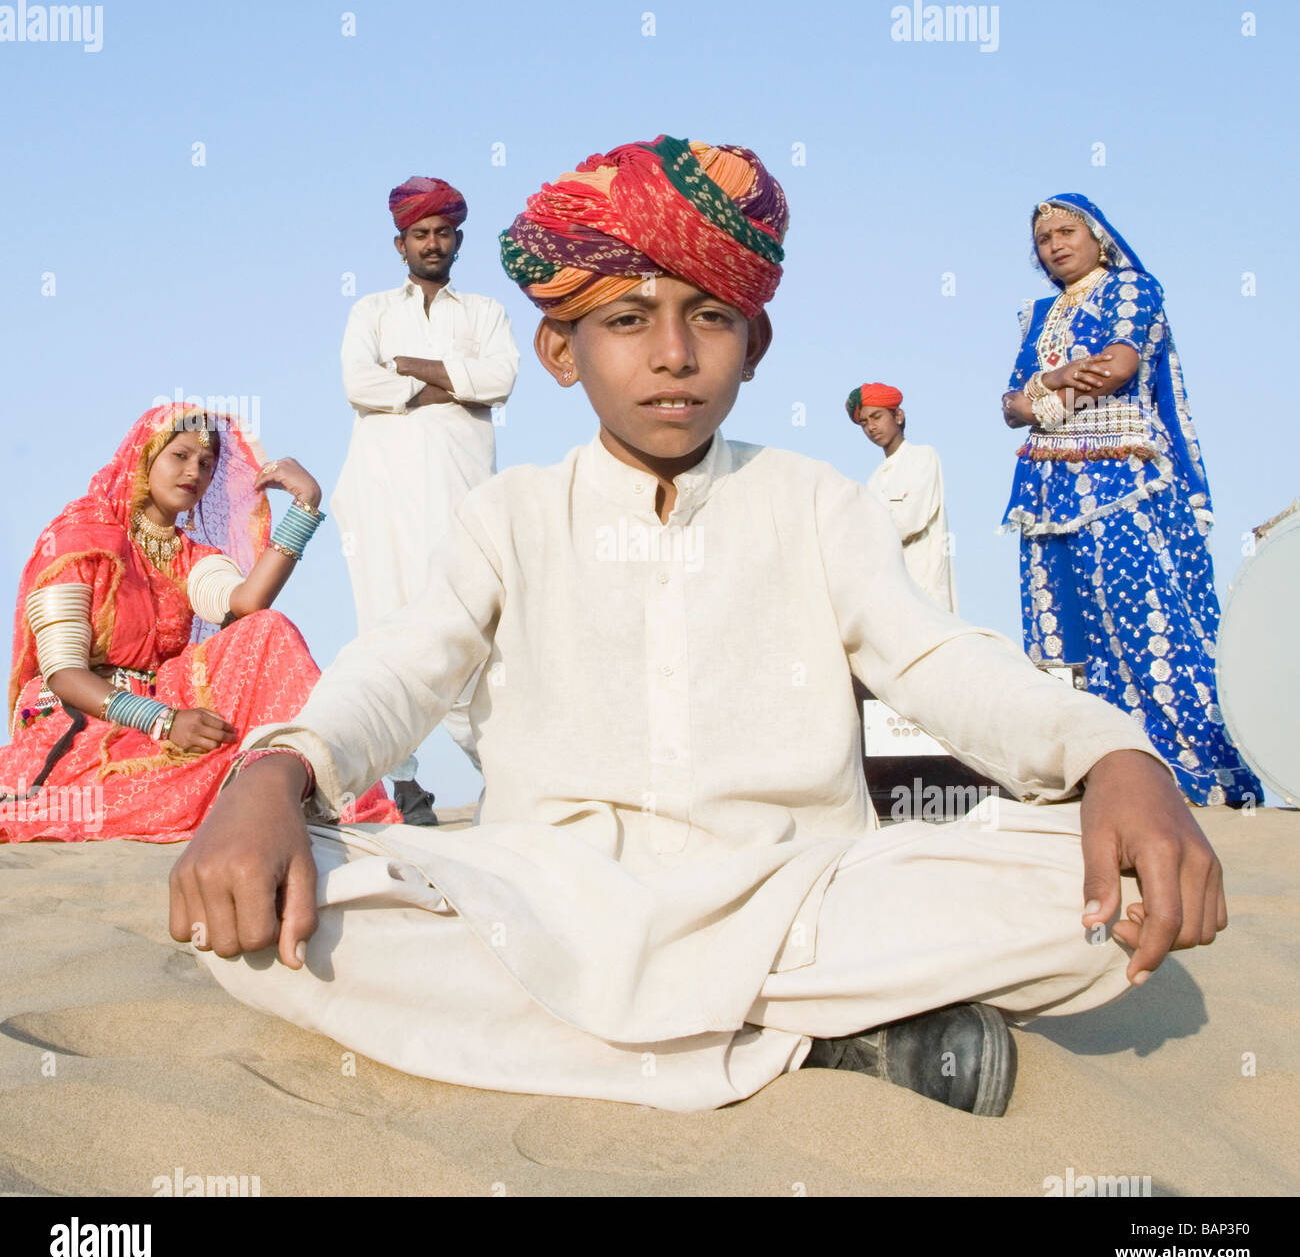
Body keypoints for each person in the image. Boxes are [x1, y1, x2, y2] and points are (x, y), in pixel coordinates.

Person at [171, 139, 1225, 1119]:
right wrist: (278, 772)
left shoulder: (816, 502)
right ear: (560, 349)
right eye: (629, 320)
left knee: (1113, 896)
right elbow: (402, 669)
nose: (673, 354)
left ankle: (623, 1041)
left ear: (752, 345)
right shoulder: (508, 516)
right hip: (550, 897)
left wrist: (1111, 755)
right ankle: (819, 1043)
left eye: (709, 317)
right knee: (247, 926)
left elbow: (935, 657)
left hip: (798, 898)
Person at [0, 403, 398, 843]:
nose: (194, 471)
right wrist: (165, 721)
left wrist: (305, 506)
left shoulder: (190, 556)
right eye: (180, 455)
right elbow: (63, 674)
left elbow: (248, 605)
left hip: (166, 706)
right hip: (85, 714)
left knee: (266, 630)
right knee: (135, 798)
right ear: (145, 456)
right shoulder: (81, 536)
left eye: (207, 464)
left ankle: (342, 795)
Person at [1001, 195, 1261, 806]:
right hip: (1047, 486)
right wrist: (1058, 379)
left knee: (1146, 617)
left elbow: (1117, 366)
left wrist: (1045, 397)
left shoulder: (1131, 289)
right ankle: (1094, 774)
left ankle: (1192, 772)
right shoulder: (1036, 314)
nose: (1055, 245)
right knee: (1060, 630)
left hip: (1124, 473)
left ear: (1099, 238)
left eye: (1067, 232)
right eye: (1044, 239)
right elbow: (1009, 406)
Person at [330, 176, 520, 826]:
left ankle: (510, 780)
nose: (431, 243)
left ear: (458, 239)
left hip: (459, 491)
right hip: (380, 495)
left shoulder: (484, 312)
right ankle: (405, 790)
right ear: (400, 244)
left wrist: (413, 366)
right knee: (386, 630)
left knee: (467, 633)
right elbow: (359, 383)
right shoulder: (372, 312)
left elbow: (501, 378)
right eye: (420, 234)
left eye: (442, 233)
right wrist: (454, 385)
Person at [847, 381, 957, 611]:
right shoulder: (875, 479)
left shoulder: (923, 456)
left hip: (925, 588)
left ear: (898, 416)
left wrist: (866, 536)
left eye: (876, 417)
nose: (871, 427)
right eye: (864, 423)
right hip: (890, 591)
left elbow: (908, 522)